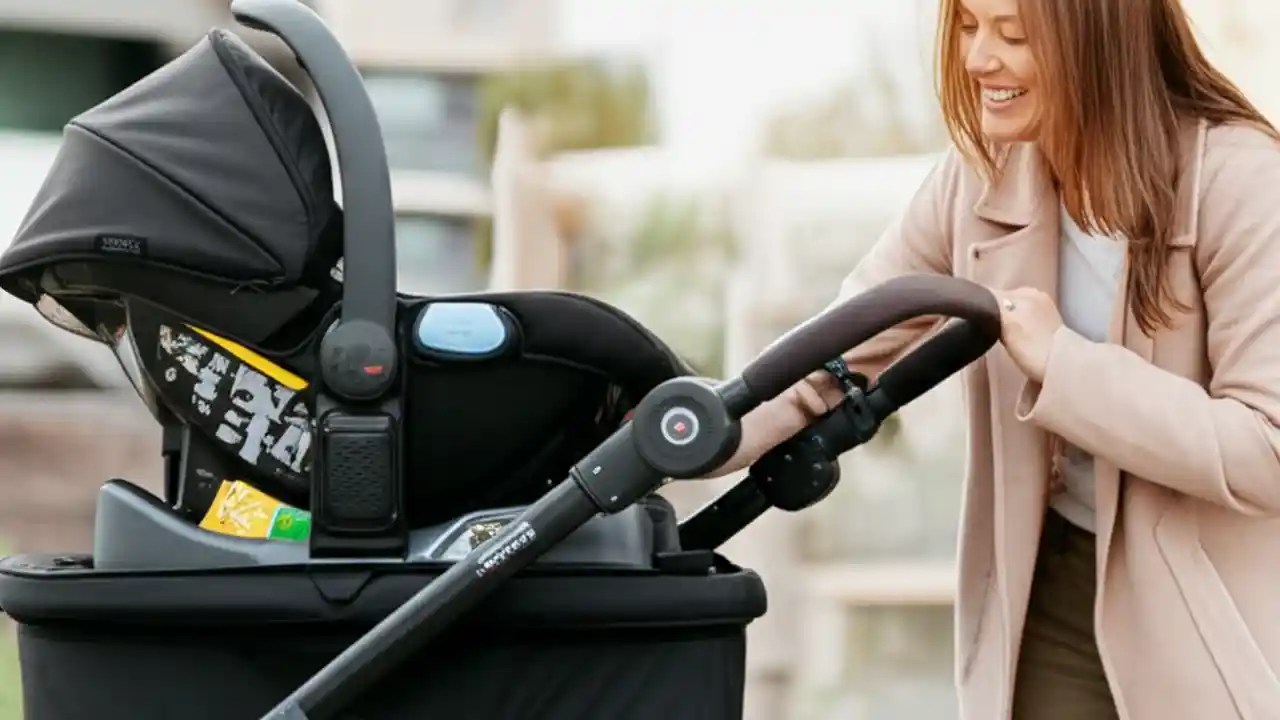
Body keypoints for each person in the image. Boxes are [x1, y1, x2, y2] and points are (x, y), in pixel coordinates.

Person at [712, 0, 1280, 718]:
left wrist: (1066, 367)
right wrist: (695, 431)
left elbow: (1268, 447)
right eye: (971, 27)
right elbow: (837, 351)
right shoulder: (978, 181)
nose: (979, 59)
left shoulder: (1242, 180)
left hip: (1216, 610)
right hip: (1056, 584)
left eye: (1014, 34)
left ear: (1100, 38)